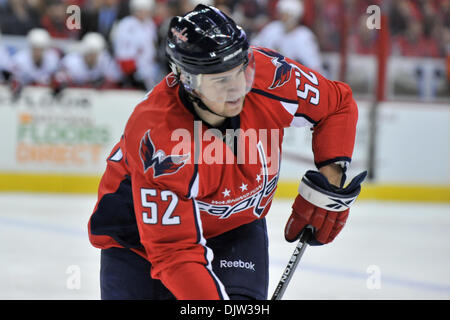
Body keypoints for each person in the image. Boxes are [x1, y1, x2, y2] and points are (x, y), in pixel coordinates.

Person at [88, 4, 366, 300]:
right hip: (137, 240)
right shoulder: (159, 136)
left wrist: (331, 181)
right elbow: (175, 253)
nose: (237, 89)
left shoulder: (271, 77)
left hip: (236, 226)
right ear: (188, 81)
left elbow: (337, 105)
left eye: (240, 72)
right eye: (220, 80)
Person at [252, 0, 324, 73]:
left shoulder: (304, 36)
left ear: (296, 17)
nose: (284, 19)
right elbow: (253, 48)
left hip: (293, 77)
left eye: (288, 16)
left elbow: (314, 66)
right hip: (268, 72)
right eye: (282, 14)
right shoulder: (272, 28)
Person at [112, 0, 160, 90]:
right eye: (140, 10)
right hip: (131, 69)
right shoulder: (125, 24)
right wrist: (131, 69)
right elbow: (121, 49)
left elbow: (152, 45)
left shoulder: (150, 24)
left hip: (148, 68)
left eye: (146, 10)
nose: (143, 13)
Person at [54, 32, 122, 89]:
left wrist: (104, 83)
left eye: (94, 53)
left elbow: (116, 79)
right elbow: (58, 80)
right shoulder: (71, 61)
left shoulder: (104, 61)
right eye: (89, 53)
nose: (92, 57)